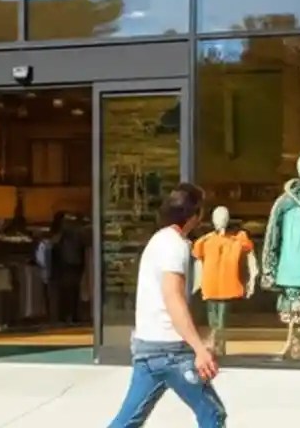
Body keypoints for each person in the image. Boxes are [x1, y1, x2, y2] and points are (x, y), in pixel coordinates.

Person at [107, 183, 226, 428]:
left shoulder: (159, 240)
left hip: (148, 347)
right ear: (195, 214)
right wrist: (199, 349)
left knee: (128, 420)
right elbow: (173, 298)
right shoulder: (174, 245)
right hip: (170, 352)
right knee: (212, 414)